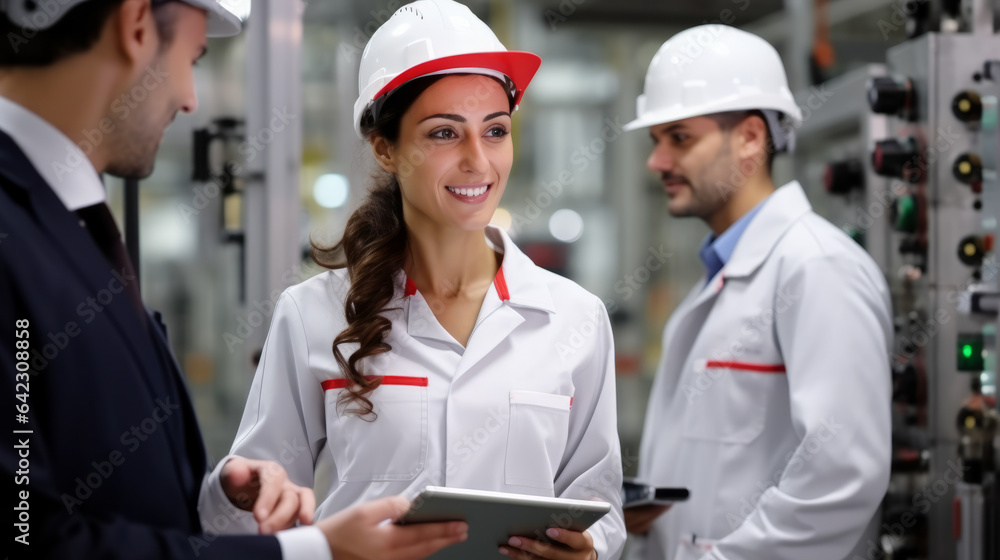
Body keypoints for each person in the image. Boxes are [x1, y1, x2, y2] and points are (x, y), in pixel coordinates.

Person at [0, 1, 467, 558]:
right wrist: (313, 551)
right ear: (136, 24)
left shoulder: (67, 221)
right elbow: (25, 537)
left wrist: (218, 499)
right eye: (192, 58)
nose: (190, 97)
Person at [197, 1, 626, 559]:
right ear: (385, 147)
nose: (478, 161)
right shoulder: (314, 315)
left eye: (495, 131)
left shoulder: (574, 319)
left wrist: (589, 549)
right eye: (445, 133)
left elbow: (600, 502)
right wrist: (235, 492)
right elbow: (250, 510)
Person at [621, 25, 892, 560]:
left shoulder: (818, 267)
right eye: (656, 141)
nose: (657, 162)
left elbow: (840, 474)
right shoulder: (721, 277)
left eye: (679, 137)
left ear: (749, 137)